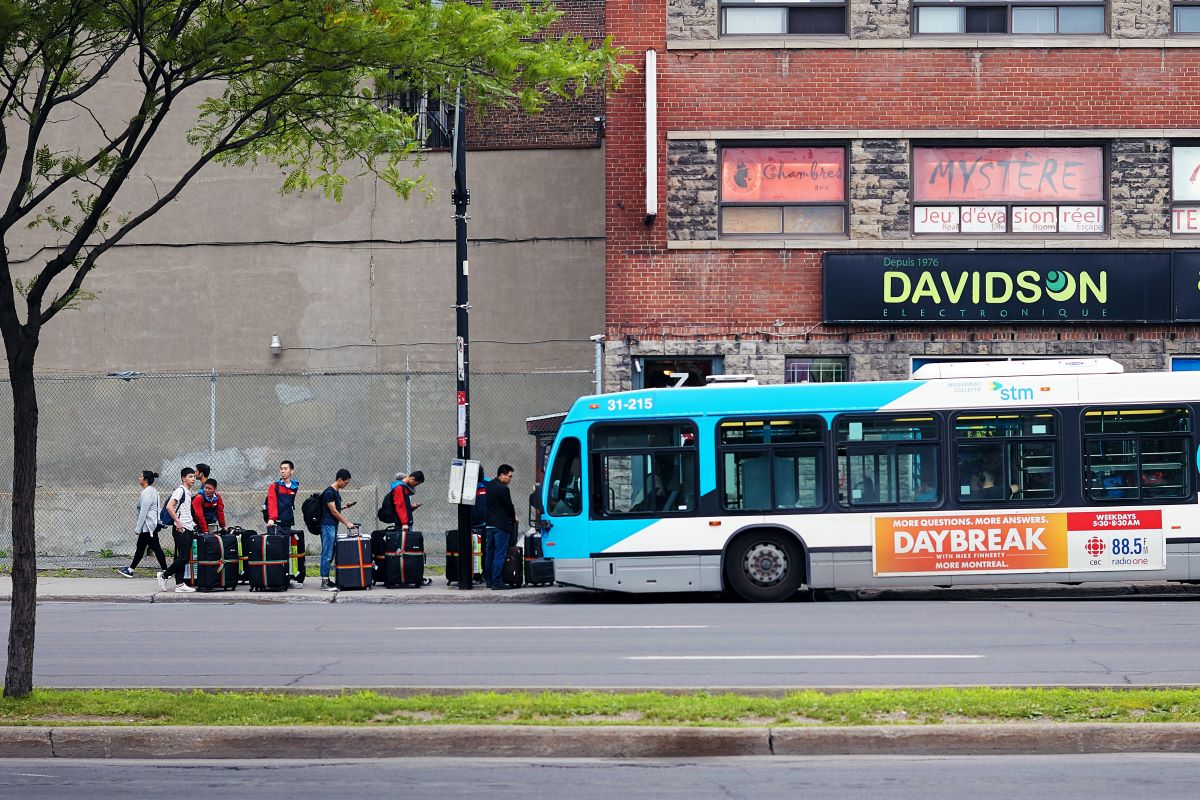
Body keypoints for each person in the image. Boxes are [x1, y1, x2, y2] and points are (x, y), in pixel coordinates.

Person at [119, 470, 167, 577]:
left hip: (148, 526)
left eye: (141, 477)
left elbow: (143, 512)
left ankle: (165, 571)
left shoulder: (147, 493)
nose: (139, 478)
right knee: (142, 548)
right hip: (151, 525)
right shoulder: (153, 491)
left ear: (145, 480)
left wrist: (138, 528)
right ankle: (131, 570)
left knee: (153, 548)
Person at [157, 467, 198, 593]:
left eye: (194, 477)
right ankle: (164, 575)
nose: (193, 479)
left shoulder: (187, 492)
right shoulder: (180, 490)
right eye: (190, 477)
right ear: (183, 478)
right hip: (181, 528)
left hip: (188, 527)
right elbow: (170, 506)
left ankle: (180, 585)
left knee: (182, 557)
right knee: (184, 558)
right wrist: (178, 522)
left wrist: (192, 523)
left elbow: (184, 510)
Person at [265, 459, 303, 587]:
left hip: (287, 523)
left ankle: (285, 578)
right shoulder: (274, 486)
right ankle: (274, 579)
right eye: (281, 468)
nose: (282, 471)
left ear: (291, 471)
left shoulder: (294, 486)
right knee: (275, 551)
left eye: (285, 469)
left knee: (286, 551)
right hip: (275, 523)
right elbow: (271, 502)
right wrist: (272, 518)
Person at [319, 468, 358, 592]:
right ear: (340, 480)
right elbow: (333, 511)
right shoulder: (329, 492)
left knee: (331, 552)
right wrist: (347, 523)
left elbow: (336, 508)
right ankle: (324, 582)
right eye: (346, 482)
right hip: (327, 526)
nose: (346, 485)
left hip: (332, 525)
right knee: (327, 553)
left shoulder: (335, 492)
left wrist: (344, 506)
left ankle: (327, 579)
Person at [484, 464, 518, 590]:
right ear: (502, 475)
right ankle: (497, 581)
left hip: (489, 525)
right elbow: (509, 506)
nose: (510, 479)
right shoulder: (503, 489)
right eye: (509, 476)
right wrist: (513, 518)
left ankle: (488, 580)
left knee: (489, 553)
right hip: (501, 525)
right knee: (499, 554)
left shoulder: (489, 485)